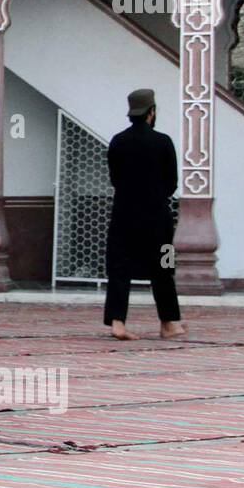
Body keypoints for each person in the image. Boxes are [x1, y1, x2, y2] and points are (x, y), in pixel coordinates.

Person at [104, 89, 186, 341]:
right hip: (158, 218)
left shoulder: (117, 141)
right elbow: (172, 183)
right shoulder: (163, 142)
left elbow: (115, 179)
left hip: (123, 215)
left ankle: (117, 322)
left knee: (119, 268)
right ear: (152, 112)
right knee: (164, 266)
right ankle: (168, 323)